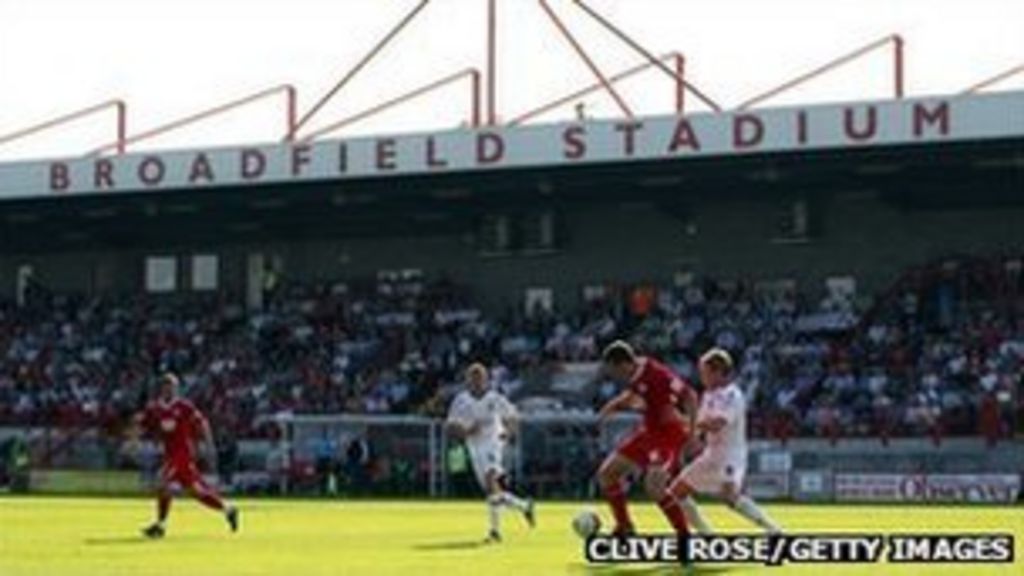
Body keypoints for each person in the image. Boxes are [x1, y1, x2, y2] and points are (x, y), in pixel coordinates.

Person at [662, 348, 781, 534]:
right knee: (676, 492)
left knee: (729, 496)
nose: (702, 377)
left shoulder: (732, 395)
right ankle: (707, 534)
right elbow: (700, 425)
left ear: (718, 372)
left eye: (705, 373)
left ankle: (773, 530)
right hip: (711, 453)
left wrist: (680, 419)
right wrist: (690, 441)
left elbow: (717, 423)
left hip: (730, 454)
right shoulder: (709, 395)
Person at [596, 340, 708, 535]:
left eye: (614, 370)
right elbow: (632, 394)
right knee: (607, 474)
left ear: (622, 364)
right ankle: (625, 526)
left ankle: (684, 536)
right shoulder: (634, 374)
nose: (614, 376)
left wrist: (691, 435)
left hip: (668, 435)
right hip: (648, 432)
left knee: (654, 486)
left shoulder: (657, 375)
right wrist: (612, 406)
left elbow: (690, 395)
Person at [132, 373, 239, 538]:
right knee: (196, 492)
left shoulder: (184, 407)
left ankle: (160, 526)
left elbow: (202, 422)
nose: (170, 390)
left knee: (162, 482)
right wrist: (134, 439)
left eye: (173, 387)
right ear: (161, 389)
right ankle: (229, 510)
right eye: (167, 387)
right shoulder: (155, 408)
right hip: (170, 454)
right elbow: (143, 423)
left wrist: (209, 443)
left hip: (182, 454)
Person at [445, 362, 536, 543]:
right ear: (468, 381)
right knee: (492, 492)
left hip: (493, 443)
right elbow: (451, 425)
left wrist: (508, 433)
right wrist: (466, 431)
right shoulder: (461, 400)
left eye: (480, 378)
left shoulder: (494, 398)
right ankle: (524, 506)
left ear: (486, 380)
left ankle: (495, 532)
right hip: (474, 446)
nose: (477, 382)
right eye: (473, 378)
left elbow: (512, 416)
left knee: (490, 479)